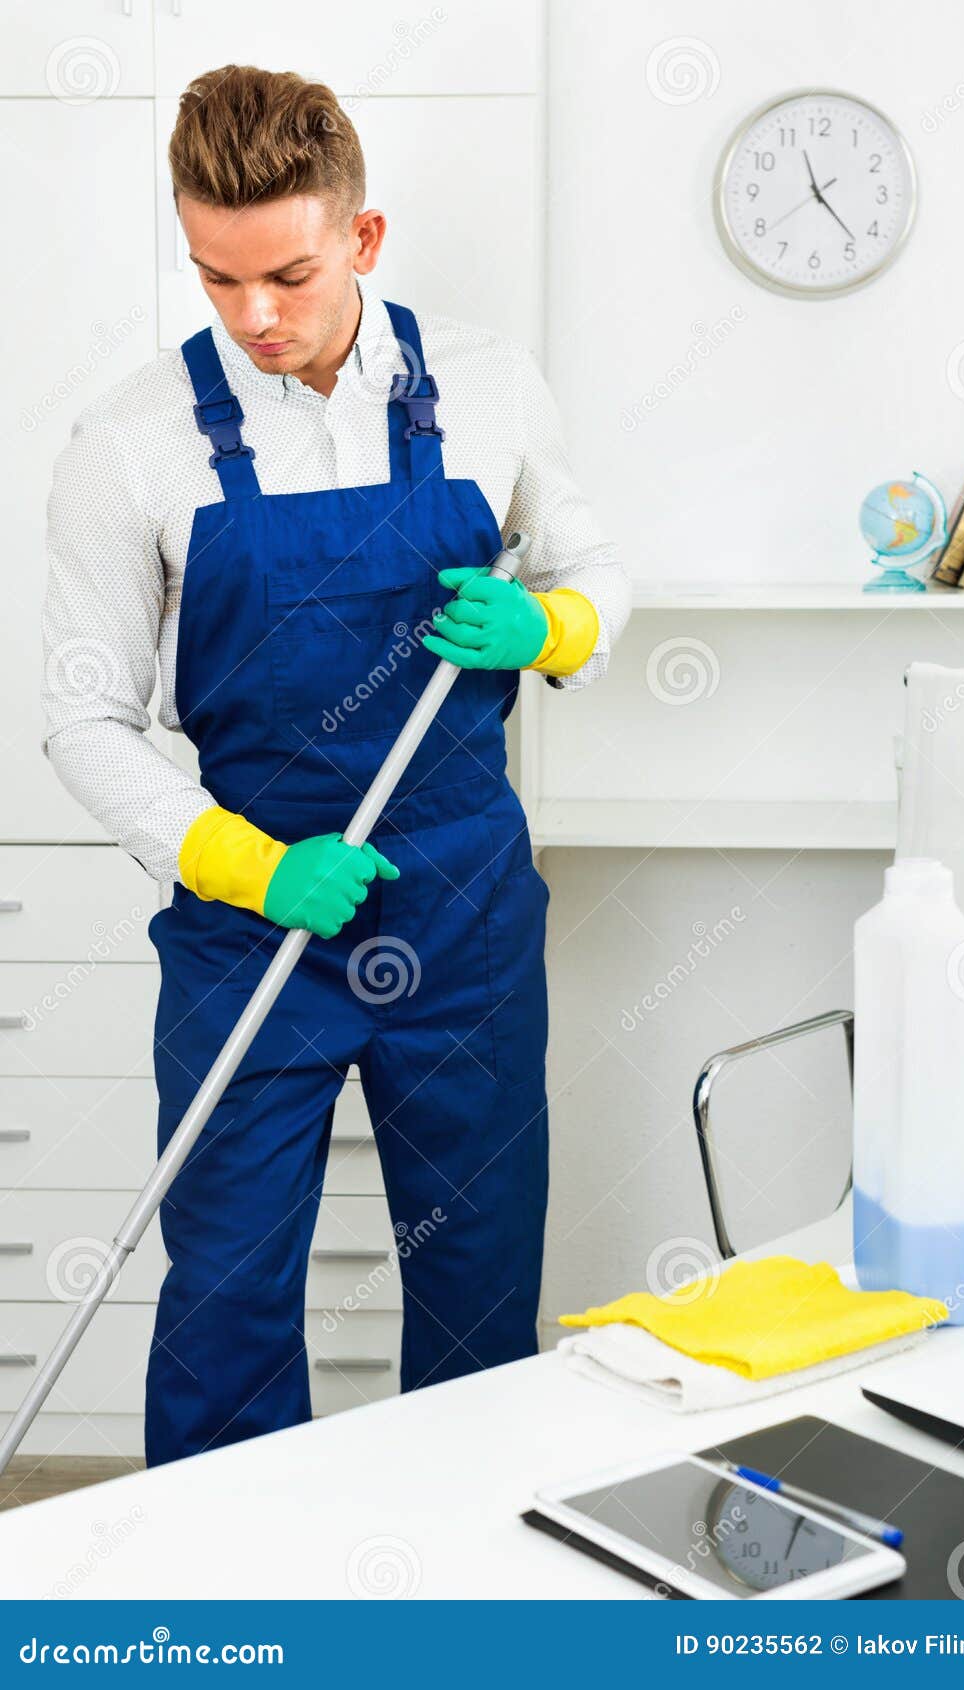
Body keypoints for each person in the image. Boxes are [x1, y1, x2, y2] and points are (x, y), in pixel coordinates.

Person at [41, 64, 630, 1466]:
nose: (253, 317)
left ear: (361, 240)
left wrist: (555, 619)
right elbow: (82, 720)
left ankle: (462, 1597)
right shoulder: (125, 443)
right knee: (226, 1300)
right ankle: (230, 1618)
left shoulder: (489, 388)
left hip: (464, 919)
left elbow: (598, 567)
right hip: (253, 931)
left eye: (288, 276)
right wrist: (251, 865)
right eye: (217, 278)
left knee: (481, 1292)